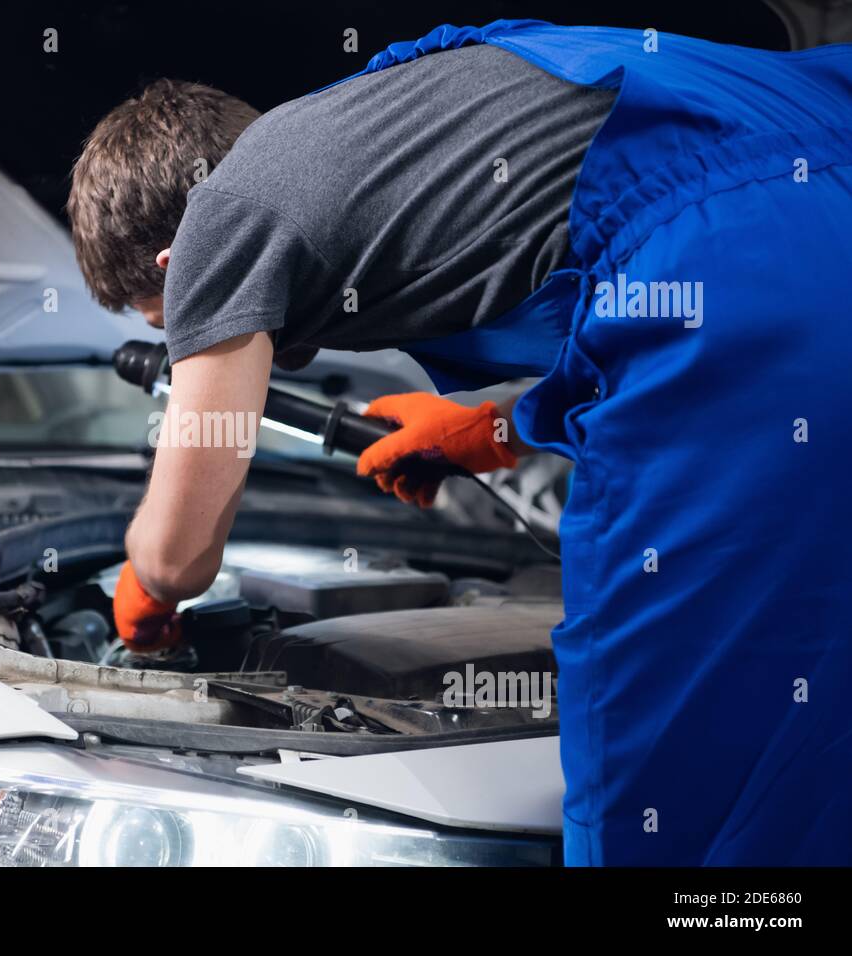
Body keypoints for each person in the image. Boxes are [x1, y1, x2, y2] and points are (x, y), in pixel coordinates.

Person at [66, 20, 852, 865]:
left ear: (171, 262)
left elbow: (185, 554)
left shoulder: (223, 211)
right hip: (820, 154)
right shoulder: (392, 117)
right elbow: (660, 273)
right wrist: (497, 429)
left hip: (738, 272)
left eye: (174, 322)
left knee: (668, 778)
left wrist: (146, 583)